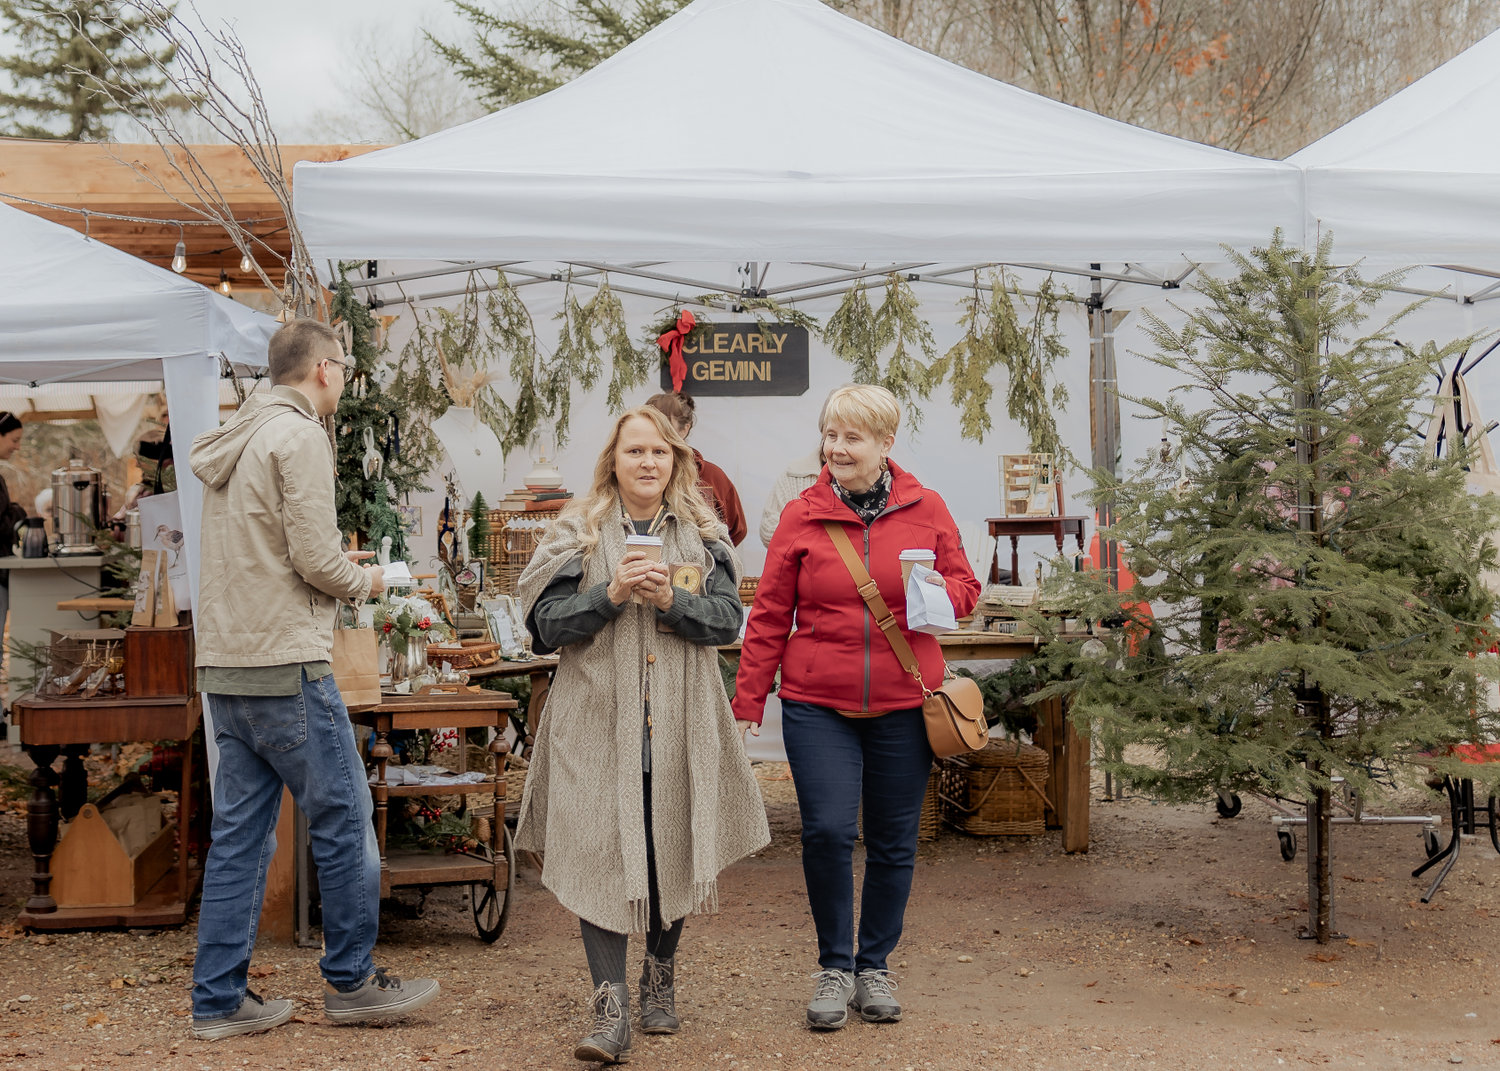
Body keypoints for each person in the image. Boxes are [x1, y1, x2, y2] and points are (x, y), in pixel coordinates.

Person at [188, 319, 439, 1040]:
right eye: (346, 367)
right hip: (285, 662)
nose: (346, 379)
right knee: (344, 817)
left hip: (227, 663)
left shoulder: (235, 437)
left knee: (240, 836)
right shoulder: (299, 436)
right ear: (326, 369)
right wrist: (365, 578)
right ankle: (353, 980)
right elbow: (313, 557)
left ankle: (218, 1001)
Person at [516, 405, 769, 1064]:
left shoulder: (703, 534)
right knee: (602, 845)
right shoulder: (577, 531)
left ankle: (659, 976)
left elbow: (725, 622)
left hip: (681, 719)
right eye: (635, 451)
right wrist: (609, 593)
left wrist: (668, 601)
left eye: (660, 451)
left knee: (670, 841)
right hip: (597, 723)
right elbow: (544, 626)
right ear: (613, 460)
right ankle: (610, 1006)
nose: (648, 462)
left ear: (677, 460)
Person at [732, 384, 981, 1031]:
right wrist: (748, 698)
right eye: (831, 435)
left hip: (905, 702)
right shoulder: (802, 514)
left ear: (886, 443)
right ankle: (834, 965)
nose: (837, 448)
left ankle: (875, 965)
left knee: (895, 841)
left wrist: (938, 592)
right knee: (829, 832)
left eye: (852, 437)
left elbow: (967, 589)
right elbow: (768, 614)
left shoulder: (928, 508)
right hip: (818, 703)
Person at [644, 391, 748, 545]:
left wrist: (711, 553)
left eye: (665, 425)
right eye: (649, 425)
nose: (657, 432)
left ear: (684, 429)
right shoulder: (637, 472)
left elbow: (736, 530)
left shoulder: (711, 476)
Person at [758, 447, 822, 548]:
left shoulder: (853, 478)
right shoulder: (795, 473)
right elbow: (767, 528)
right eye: (832, 435)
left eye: (852, 438)